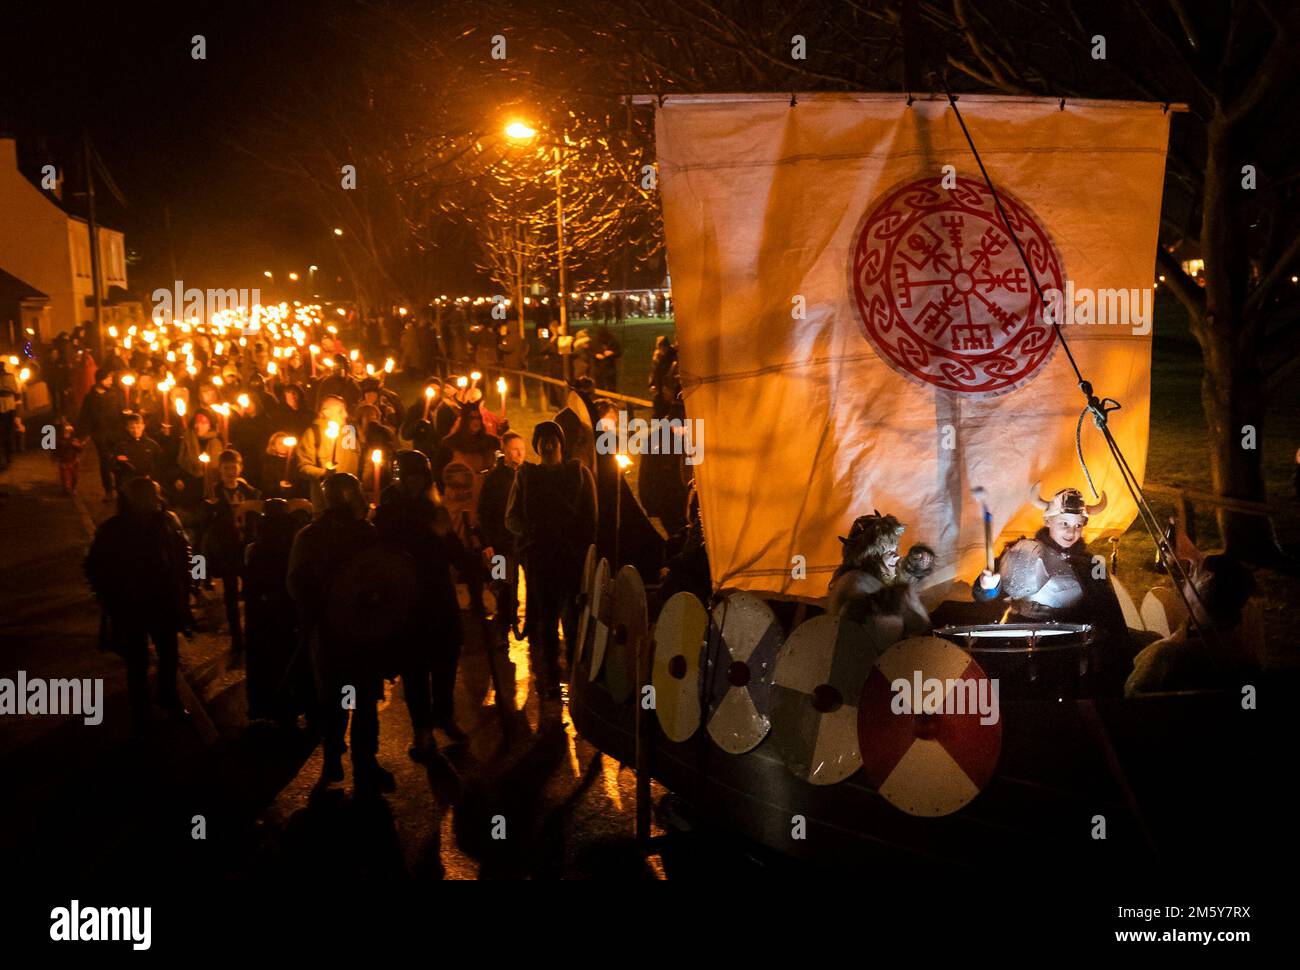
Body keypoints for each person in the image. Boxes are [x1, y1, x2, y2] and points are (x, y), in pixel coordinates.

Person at [287, 473, 392, 794]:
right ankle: (357, 761)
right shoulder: (357, 535)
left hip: (344, 630)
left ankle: (342, 760)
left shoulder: (334, 535)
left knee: (339, 697)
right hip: (348, 630)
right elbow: (300, 581)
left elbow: (383, 577)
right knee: (358, 699)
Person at [374, 450, 468, 765]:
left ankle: (444, 714)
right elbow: (382, 552)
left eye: (418, 476)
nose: (414, 483)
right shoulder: (389, 511)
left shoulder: (433, 504)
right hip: (408, 596)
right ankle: (422, 730)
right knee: (414, 666)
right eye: (408, 476)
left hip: (438, 592)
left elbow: (449, 540)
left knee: (447, 654)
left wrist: (469, 563)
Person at [84, 477, 192, 733]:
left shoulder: (167, 521)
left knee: (169, 654)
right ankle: (141, 709)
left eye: (157, 495)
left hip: (163, 601)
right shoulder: (113, 530)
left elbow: (182, 552)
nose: (156, 500)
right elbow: (94, 567)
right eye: (150, 495)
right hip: (131, 605)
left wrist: (186, 585)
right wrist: (110, 597)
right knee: (137, 660)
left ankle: (169, 698)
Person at [972, 485, 1127, 652]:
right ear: (1048, 521)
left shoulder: (1091, 564)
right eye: (1064, 523)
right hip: (1020, 639)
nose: (1071, 531)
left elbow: (1106, 611)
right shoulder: (1024, 551)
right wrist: (988, 587)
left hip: (1069, 643)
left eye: (1078, 525)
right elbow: (987, 597)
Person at [506, 421, 597, 697]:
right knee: (546, 621)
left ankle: (575, 676)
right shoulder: (526, 476)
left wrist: (582, 549)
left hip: (570, 558)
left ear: (561, 443)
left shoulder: (578, 474)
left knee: (573, 621)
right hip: (541, 558)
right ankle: (550, 679)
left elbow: (590, 517)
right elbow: (512, 517)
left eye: (552, 440)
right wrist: (530, 535)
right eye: (543, 440)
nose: (548, 445)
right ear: (537, 445)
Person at [1125, 555, 1257, 696]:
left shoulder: (1167, 655)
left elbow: (1131, 697)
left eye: (1193, 572)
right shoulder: (1243, 656)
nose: (1187, 577)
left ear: (1206, 579)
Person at [243, 498, 304, 727]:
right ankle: (286, 704)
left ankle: (271, 704)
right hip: (279, 611)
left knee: (270, 659)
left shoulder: (257, 549)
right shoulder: (288, 546)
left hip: (267, 613)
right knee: (283, 656)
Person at [826, 512, 934, 640]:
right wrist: (893, 600)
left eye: (895, 551)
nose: (897, 556)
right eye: (890, 552)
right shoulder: (854, 580)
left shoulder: (876, 584)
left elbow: (919, 625)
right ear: (871, 556)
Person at [198, 449, 261, 658]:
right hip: (226, 552)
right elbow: (205, 524)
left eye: (234, 467)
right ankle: (236, 636)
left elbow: (257, 517)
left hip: (246, 550)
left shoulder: (250, 491)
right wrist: (211, 510)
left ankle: (252, 631)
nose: (230, 471)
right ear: (219, 470)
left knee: (251, 592)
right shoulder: (213, 493)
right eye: (226, 468)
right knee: (231, 594)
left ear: (240, 468)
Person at [478, 431, 526, 643]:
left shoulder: (528, 476)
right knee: (502, 585)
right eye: (515, 449)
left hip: (524, 542)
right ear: (505, 451)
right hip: (499, 544)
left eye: (522, 449)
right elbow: (484, 512)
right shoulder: (494, 479)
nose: (520, 453)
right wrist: (487, 542)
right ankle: (503, 625)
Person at [295, 395, 360, 511]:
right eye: (341, 411)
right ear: (326, 412)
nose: (345, 414)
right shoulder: (313, 434)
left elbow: (357, 461)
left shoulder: (349, 432)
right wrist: (324, 473)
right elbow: (302, 466)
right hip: (325, 501)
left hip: (349, 498)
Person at [76, 367, 127, 502]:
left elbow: (124, 410)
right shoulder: (90, 398)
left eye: (111, 378)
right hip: (100, 435)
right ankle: (108, 490)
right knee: (104, 462)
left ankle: (120, 489)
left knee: (118, 461)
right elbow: (84, 417)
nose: (110, 381)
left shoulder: (116, 394)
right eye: (107, 378)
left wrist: (128, 415)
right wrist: (81, 435)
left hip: (116, 433)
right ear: (99, 380)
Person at [111, 412, 162, 490]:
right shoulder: (121, 446)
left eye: (138, 427)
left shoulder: (152, 445)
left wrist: (152, 476)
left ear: (143, 426)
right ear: (127, 428)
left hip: (148, 482)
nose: (135, 431)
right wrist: (118, 462)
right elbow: (113, 466)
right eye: (132, 427)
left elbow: (160, 463)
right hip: (128, 484)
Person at [0, 360, 19, 470]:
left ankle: (8, 456)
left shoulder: (10, 377)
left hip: (8, 404)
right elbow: (15, 391)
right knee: (6, 431)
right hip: (6, 404)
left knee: (7, 431)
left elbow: (15, 390)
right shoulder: (10, 377)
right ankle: (7, 456)